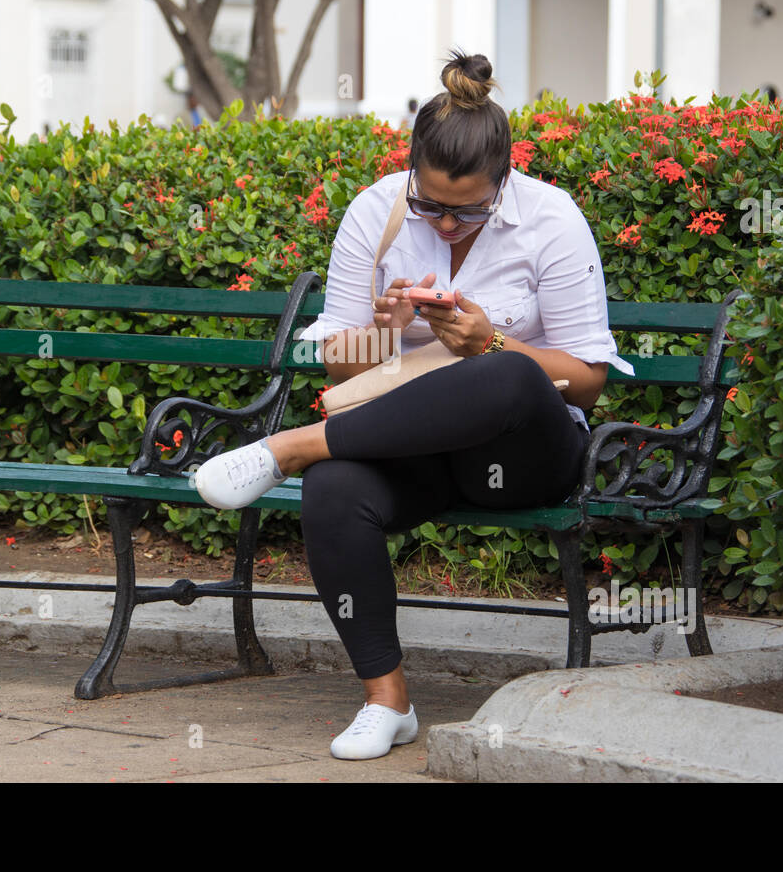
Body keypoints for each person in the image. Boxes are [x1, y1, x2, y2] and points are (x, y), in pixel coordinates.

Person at [192, 49, 634, 760]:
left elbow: (585, 380)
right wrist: (387, 329)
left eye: (471, 210)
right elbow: (339, 359)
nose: (449, 224)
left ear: (505, 178)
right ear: (410, 172)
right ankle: (386, 700)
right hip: (417, 450)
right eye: (432, 205)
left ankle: (292, 446)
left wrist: (492, 340)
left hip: (522, 457)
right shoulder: (377, 211)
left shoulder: (552, 220)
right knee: (336, 488)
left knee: (508, 374)